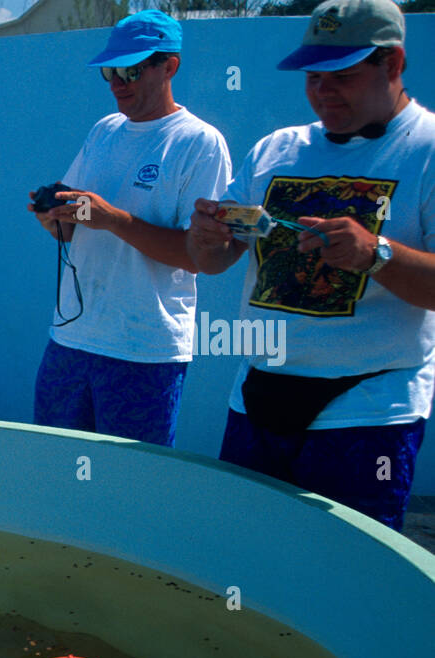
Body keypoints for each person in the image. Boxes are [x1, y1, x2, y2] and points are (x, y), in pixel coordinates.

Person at [188, 0, 435, 531]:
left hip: (367, 406)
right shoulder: (276, 149)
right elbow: (211, 262)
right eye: (313, 76)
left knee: (348, 578)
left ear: (392, 65)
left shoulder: (427, 149)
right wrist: (206, 239)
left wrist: (378, 254)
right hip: (256, 394)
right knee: (246, 560)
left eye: (341, 76)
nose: (322, 91)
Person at [30, 10, 231, 447]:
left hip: (142, 352)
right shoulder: (104, 131)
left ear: (170, 66)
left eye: (131, 69)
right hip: (70, 340)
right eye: (110, 70)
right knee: (55, 476)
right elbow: (75, 231)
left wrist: (113, 219)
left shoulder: (199, 143)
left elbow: (196, 255)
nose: (117, 82)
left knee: (132, 495)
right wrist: (56, 219)